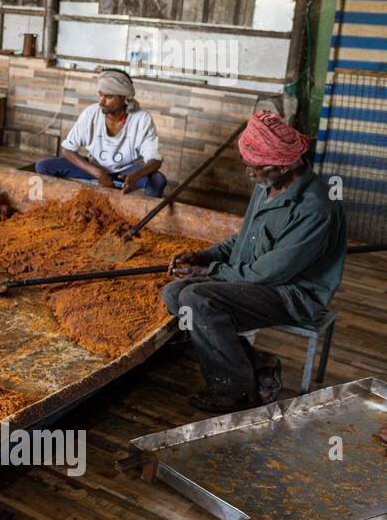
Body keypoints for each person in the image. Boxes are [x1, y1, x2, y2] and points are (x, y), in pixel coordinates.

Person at [163, 109, 346, 412]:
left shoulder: (315, 207)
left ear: (281, 166)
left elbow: (269, 272)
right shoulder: (268, 185)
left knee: (197, 299)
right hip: (256, 279)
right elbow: (243, 239)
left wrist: (212, 270)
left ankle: (236, 391)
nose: (249, 173)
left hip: (292, 293)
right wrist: (208, 255)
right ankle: (258, 361)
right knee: (173, 293)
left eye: (255, 168)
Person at [35, 69, 166, 197]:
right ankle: (59, 202)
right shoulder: (91, 113)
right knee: (43, 166)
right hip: (95, 167)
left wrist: (136, 175)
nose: (101, 102)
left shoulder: (142, 118)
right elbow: (68, 151)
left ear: (124, 98)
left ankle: (144, 214)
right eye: (100, 95)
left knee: (158, 181)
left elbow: (155, 160)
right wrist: (99, 174)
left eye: (108, 96)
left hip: (126, 173)